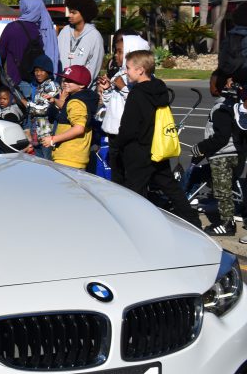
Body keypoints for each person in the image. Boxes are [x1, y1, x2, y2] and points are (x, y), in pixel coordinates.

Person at [111, 50, 200, 226]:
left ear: (140, 70)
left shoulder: (137, 94)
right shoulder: (159, 89)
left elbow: (129, 127)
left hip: (138, 150)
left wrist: (118, 144)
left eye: (128, 68)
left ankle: (136, 225)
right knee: (170, 186)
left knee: (135, 192)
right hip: (157, 147)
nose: (126, 72)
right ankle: (193, 220)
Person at [188, 72, 246, 236]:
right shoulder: (235, 105)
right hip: (236, 154)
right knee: (225, 188)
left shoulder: (221, 108)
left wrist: (201, 147)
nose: (210, 87)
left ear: (218, 87)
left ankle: (227, 225)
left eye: (211, 84)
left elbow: (221, 137)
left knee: (222, 191)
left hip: (222, 156)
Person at [0, 0, 59, 93]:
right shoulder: (44, 29)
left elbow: (0, 56)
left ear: (24, 6)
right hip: (40, 85)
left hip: (16, 84)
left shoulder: (11, 28)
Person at [43, 65, 96, 170]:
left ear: (81, 85)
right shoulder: (84, 98)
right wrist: (55, 100)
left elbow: (79, 128)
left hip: (68, 158)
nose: (65, 82)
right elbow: (68, 110)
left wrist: (53, 139)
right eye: (65, 79)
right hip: (76, 157)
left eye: (70, 80)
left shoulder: (76, 102)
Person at [57, 0, 104, 77]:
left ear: (84, 14)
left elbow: (94, 66)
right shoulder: (64, 31)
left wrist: (82, 86)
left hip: (82, 87)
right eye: (69, 12)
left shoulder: (95, 37)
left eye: (73, 13)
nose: (69, 15)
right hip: (63, 85)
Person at [25, 54, 61, 159]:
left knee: (48, 161)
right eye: (36, 70)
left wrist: (25, 103)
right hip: (36, 131)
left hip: (47, 132)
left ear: (48, 72)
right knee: (39, 161)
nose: (38, 73)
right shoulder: (36, 86)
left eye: (41, 70)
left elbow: (44, 109)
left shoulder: (53, 86)